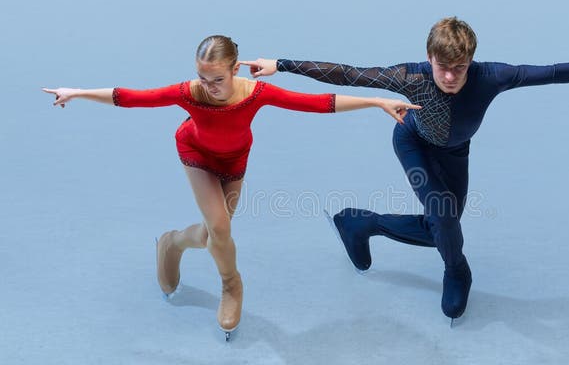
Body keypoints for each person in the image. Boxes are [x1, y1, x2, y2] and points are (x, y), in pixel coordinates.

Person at [240, 17, 569, 321]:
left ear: (471, 61)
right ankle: (457, 270)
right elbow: (349, 74)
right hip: (412, 143)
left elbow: (554, 72)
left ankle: (360, 224)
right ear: (429, 56)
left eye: (459, 68)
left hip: (455, 154)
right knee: (444, 218)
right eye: (442, 66)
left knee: (441, 227)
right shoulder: (409, 78)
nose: (449, 76)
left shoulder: (494, 76)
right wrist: (281, 64)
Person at [43, 34, 420, 338]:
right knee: (222, 228)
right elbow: (132, 98)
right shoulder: (189, 92)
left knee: (212, 235)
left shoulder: (256, 93)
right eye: (204, 79)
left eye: (218, 79)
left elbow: (318, 102)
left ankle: (171, 243)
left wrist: (374, 101)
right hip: (195, 153)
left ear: (235, 69)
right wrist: (77, 91)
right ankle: (232, 285)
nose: (210, 87)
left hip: (235, 160)